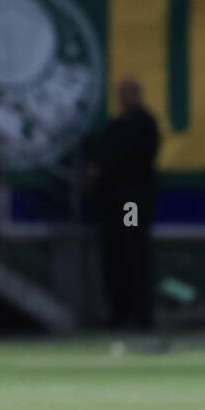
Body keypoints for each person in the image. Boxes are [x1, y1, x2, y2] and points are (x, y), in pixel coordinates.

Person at [88, 78, 160, 331]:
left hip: (133, 201)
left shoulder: (144, 123)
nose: (123, 98)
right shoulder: (118, 124)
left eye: (127, 93)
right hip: (113, 202)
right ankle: (120, 312)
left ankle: (140, 314)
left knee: (134, 253)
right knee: (116, 256)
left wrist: (104, 169)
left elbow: (131, 159)